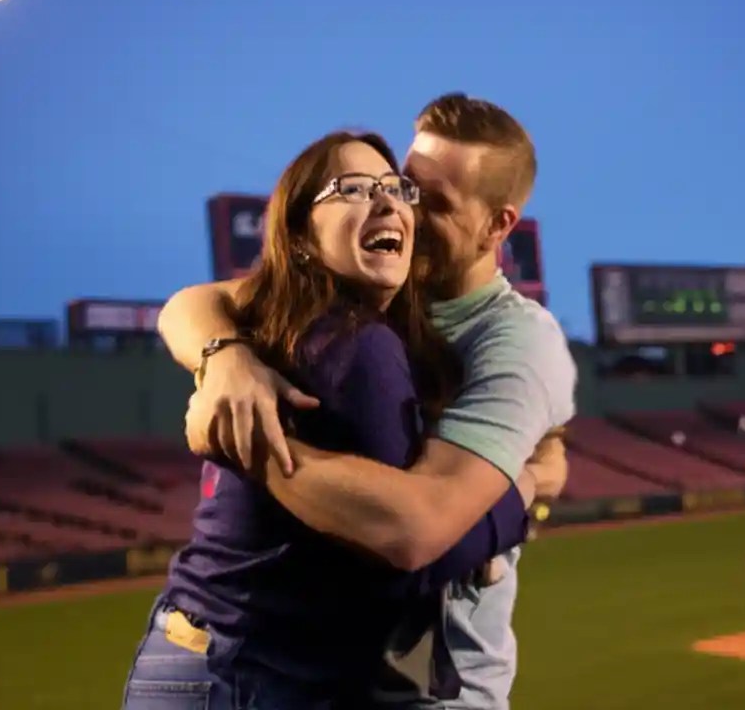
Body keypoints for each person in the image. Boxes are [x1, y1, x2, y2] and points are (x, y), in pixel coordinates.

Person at [157, 93, 576, 708]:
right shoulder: (350, 324)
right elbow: (190, 304)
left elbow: (412, 531)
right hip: (289, 666)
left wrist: (248, 437)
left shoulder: (511, 338)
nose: (401, 207)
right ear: (301, 234)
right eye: (406, 187)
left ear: (498, 226)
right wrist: (226, 359)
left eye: (432, 202)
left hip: (431, 685)